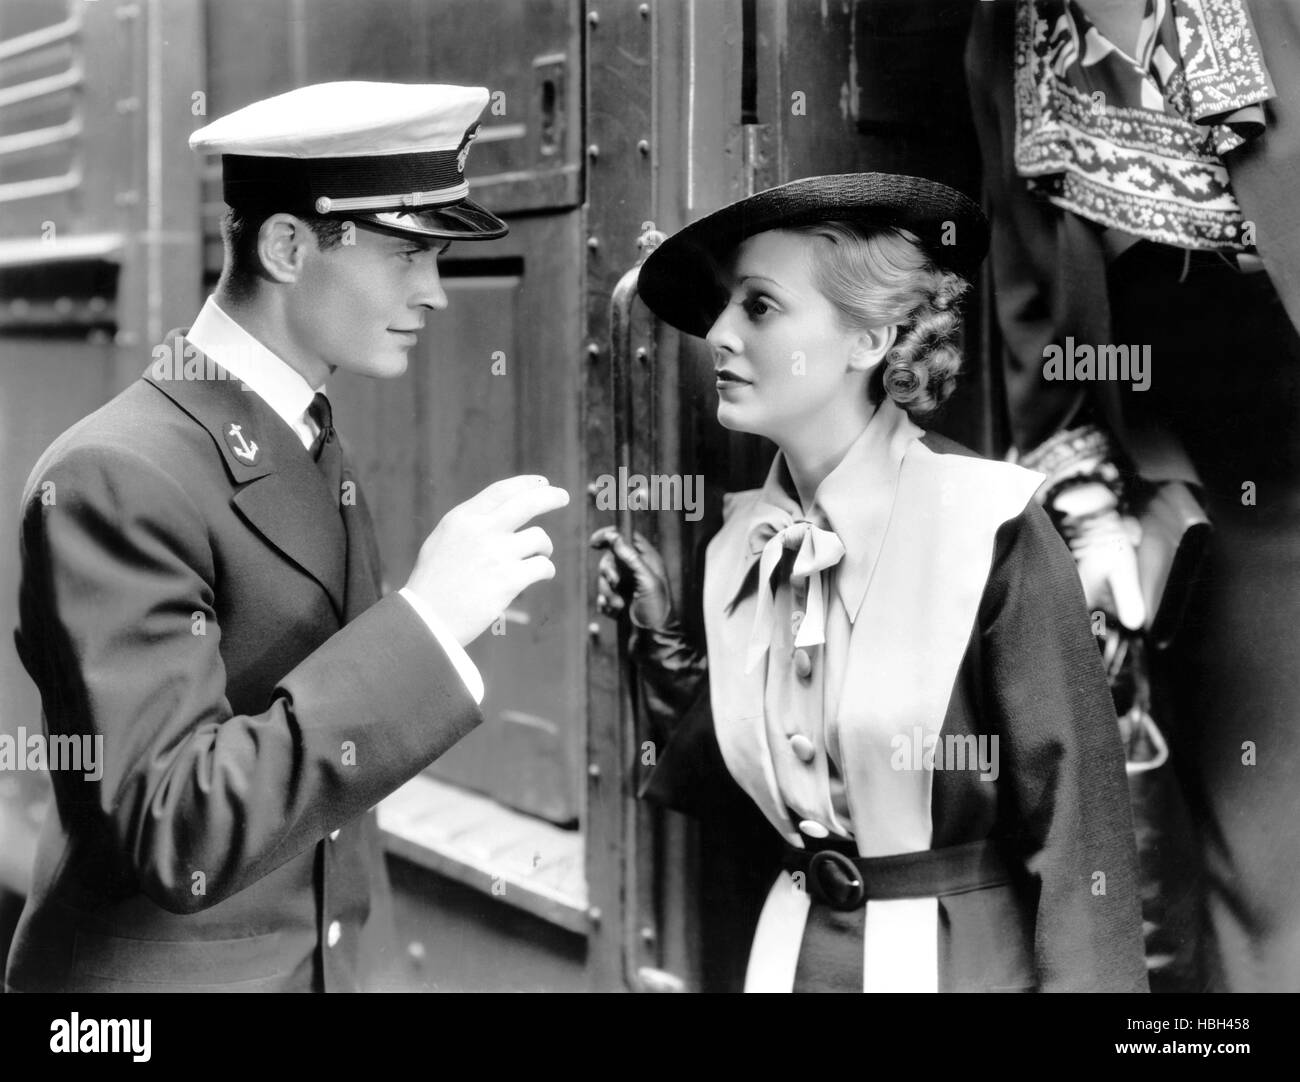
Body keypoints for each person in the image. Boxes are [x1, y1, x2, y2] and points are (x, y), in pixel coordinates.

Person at [5, 82, 568, 993]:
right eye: (408, 254)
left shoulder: (295, 427)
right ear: (286, 245)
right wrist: (423, 625)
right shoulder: (114, 474)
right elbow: (173, 826)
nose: (436, 293)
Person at [593, 173, 1148, 992]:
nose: (715, 333)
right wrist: (664, 642)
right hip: (789, 961)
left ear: (869, 340)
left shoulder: (988, 527)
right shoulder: (745, 540)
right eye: (723, 306)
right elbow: (764, 784)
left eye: (759, 306)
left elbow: (1080, 842)